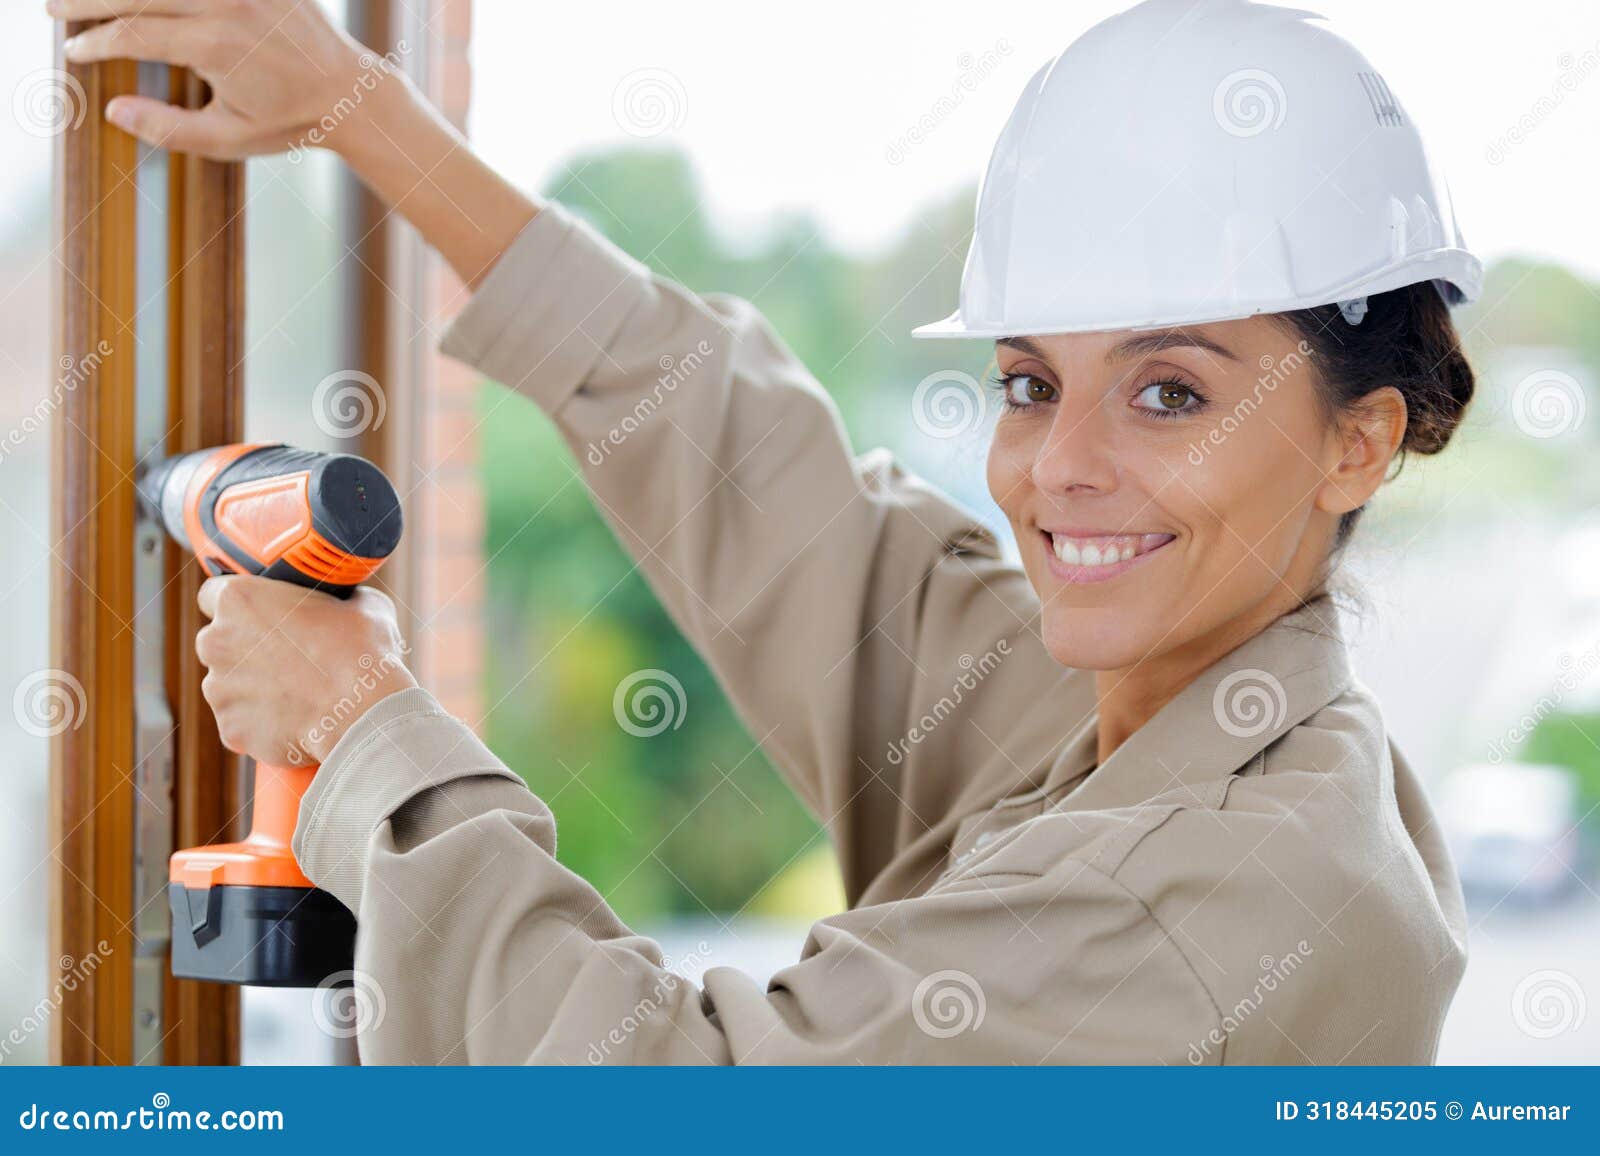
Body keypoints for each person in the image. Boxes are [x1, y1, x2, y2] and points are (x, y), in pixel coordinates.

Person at [55, 0, 1474, 1063]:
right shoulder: (1130, 704)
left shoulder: (1215, 895)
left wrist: (368, 731)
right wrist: (359, 108)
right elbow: (766, 484)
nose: (1062, 468)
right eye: (1033, 385)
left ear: (1360, 440)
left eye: (1172, 394)